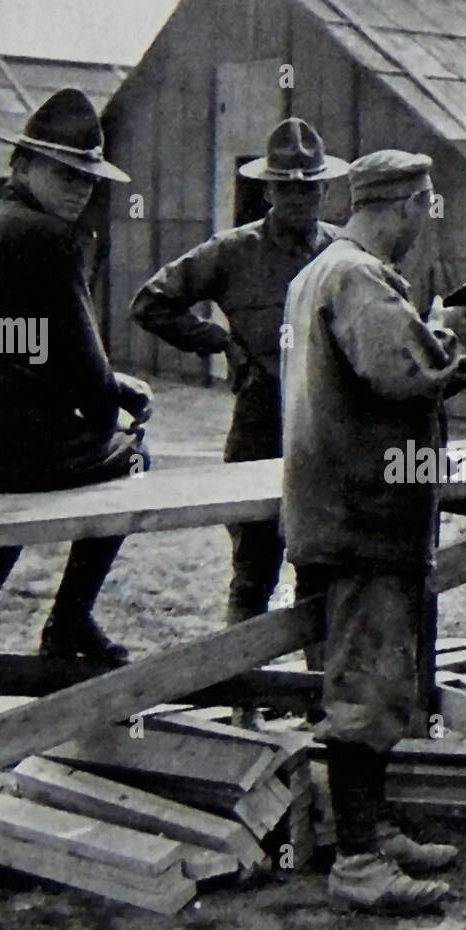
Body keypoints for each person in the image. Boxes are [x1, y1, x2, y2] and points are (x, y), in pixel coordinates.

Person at [0, 88, 152, 723]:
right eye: (63, 173)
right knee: (132, 459)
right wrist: (118, 404)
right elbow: (88, 376)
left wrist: (102, 389)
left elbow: (14, 358)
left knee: (33, 474)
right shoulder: (48, 238)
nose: (78, 189)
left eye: (87, 178)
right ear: (19, 164)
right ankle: (68, 623)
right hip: (9, 449)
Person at [282, 150, 466, 913]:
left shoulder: (316, 271)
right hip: (364, 517)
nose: (425, 224)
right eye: (425, 207)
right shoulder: (358, 276)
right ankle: (358, 862)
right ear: (407, 204)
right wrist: (451, 337)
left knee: (372, 679)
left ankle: (373, 829)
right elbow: (405, 371)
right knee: (363, 688)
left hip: (335, 509)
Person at [130, 118, 347, 628]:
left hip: (328, 424)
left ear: (324, 189)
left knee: (322, 565)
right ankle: (242, 697)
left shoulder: (344, 252)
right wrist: (220, 341)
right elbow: (151, 303)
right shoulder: (232, 251)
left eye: (310, 189)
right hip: (261, 419)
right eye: (288, 189)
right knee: (253, 566)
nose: (300, 199)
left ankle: (317, 696)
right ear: (269, 189)